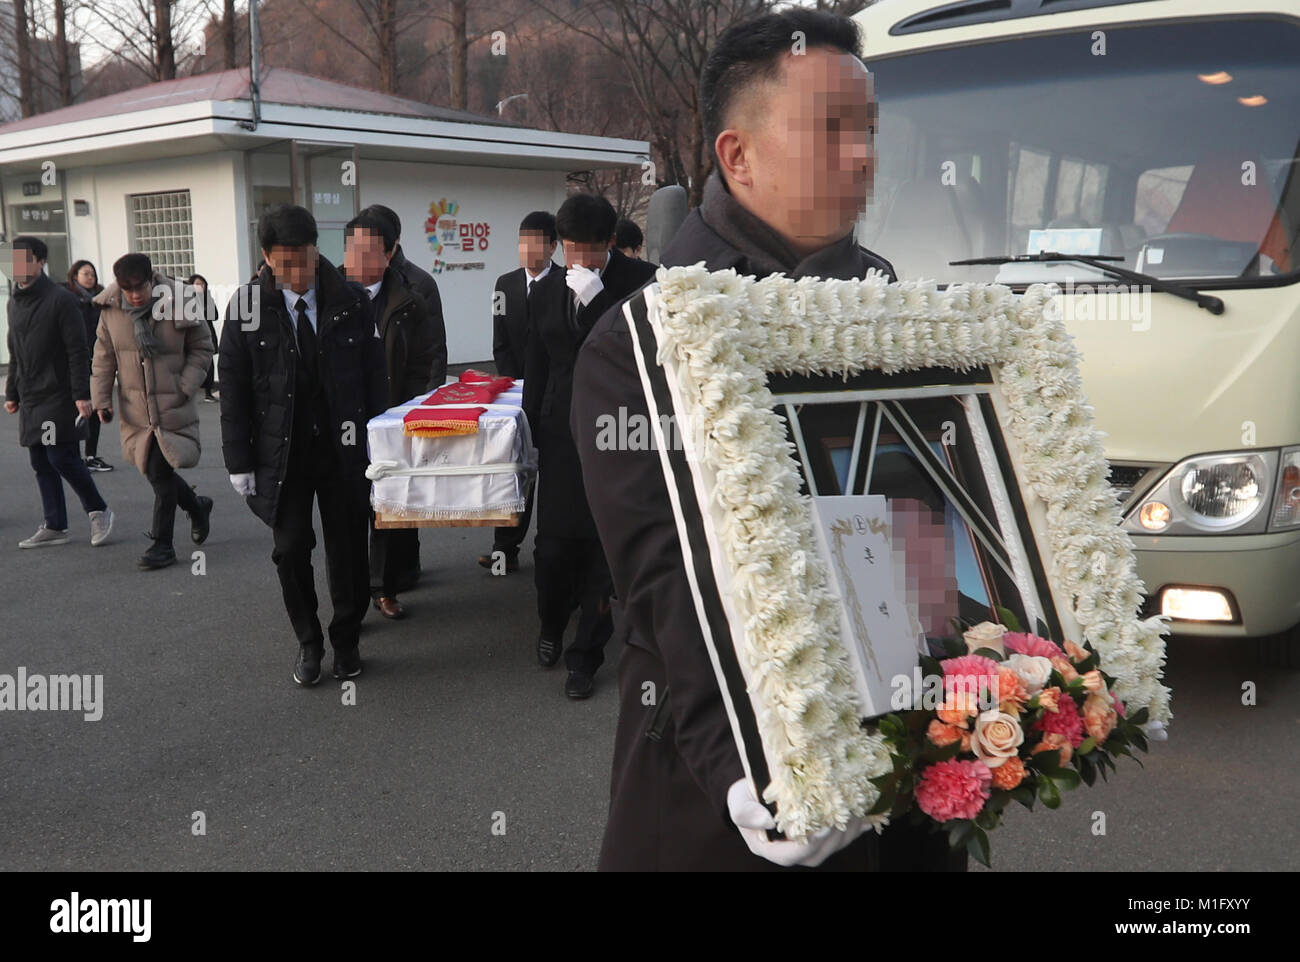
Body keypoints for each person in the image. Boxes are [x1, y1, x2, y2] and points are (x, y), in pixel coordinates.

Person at [572, 10, 941, 871]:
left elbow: (930, 522)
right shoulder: (647, 339)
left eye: (870, 132)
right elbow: (671, 578)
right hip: (735, 798)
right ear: (737, 155)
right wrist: (755, 768)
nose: (863, 158)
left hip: (913, 751)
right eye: (832, 131)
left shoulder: (891, 306)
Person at [218, 204, 387, 686]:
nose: (296, 273)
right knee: (290, 550)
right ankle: (309, 642)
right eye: (284, 262)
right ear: (267, 258)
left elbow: (375, 378)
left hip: (343, 449)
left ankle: (347, 639)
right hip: (281, 453)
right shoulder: (247, 306)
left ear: (317, 250)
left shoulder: (352, 299)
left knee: (349, 549)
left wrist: (381, 443)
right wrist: (239, 460)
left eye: (304, 259)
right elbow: (232, 386)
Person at [524, 193, 658, 700]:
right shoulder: (544, 288)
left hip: (619, 429)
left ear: (611, 245)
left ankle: (586, 655)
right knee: (554, 546)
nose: (579, 261)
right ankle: (550, 624)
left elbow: (641, 354)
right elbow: (536, 364)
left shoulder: (642, 282)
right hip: (561, 428)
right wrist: (529, 433)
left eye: (591, 251)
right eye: (571, 250)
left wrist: (597, 302)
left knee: (605, 550)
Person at [343, 211, 442, 620]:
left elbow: (431, 357)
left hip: (394, 413)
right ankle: (349, 598)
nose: (357, 259)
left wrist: (421, 410)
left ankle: (384, 586)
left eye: (369, 251)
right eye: (352, 249)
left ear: (390, 252)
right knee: (348, 509)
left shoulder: (414, 291)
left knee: (388, 504)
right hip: (345, 416)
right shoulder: (330, 290)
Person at [90, 254, 215, 570]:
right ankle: (197, 506)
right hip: (136, 408)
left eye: (139, 287)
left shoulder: (181, 299)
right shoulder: (111, 310)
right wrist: (101, 400)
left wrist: (186, 385)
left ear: (152, 279)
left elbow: (203, 347)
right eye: (127, 288)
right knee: (155, 470)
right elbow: (103, 358)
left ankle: (162, 545)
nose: (134, 295)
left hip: (172, 402)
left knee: (160, 474)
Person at [5, 237, 114, 548]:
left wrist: (82, 394)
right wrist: (12, 391)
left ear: (40, 262)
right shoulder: (15, 302)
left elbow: (77, 350)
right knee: (40, 460)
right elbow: (16, 351)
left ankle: (99, 510)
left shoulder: (60, 300)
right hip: (30, 394)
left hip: (58, 393)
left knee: (61, 456)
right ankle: (54, 525)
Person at [477, 210, 561, 574]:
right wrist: (512, 387)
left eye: (536, 243)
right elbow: (501, 343)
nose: (527, 250)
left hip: (555, 397)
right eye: (522, 242)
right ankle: (504, 549)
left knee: (554, 474)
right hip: (516, 396)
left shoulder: (566, 283)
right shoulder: (505, 284)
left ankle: (551, 550)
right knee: (513, 473)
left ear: (553, 246)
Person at [65, 260, 113, 472]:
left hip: (97, 358)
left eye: (93, 273)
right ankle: (73, 455)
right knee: (76, 408)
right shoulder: (69, 299)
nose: (90, 277)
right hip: (76, 360)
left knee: (95, 407)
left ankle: (91, 455)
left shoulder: (101, 299)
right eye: (86, 273)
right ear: (75, 276)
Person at [187, 273, 221, 402]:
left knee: (209, 364)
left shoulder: (208, 298)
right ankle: (189, 391)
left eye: (202, 284)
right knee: (192, 364)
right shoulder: (187, 299)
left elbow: (215, 315)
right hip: (192, 336)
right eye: (197, 284)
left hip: (207, 334)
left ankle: (208, 392)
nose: (200, 286)